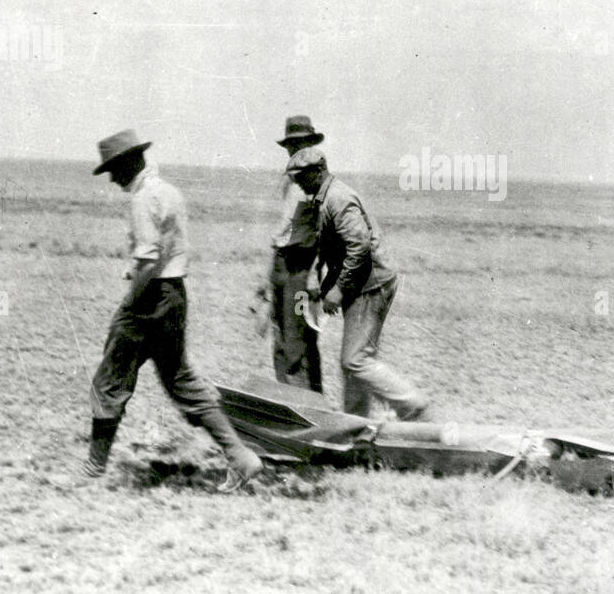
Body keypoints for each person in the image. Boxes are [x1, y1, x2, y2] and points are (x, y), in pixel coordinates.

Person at [78, 129, 263, 491]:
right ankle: (241, 457)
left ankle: (93, 470)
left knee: (109, 381)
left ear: (130, 163)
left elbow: (148, 260)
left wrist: (129, 302)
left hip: (149, 299)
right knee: (181, 380)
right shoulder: (169, 192)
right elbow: (165, 250)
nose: (113, 179)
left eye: (114, 170)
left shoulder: (142, 199)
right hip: (175, 296)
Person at [286, 147, 426, 420]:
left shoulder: (338, 198)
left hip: (371, 285)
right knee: (352, 361)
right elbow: (335, 249)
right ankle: (356, 422)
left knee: (355, 360)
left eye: (301, 177)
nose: (298, 183)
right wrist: (324, 285)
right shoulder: (325, 197)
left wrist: (337, 290)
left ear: (318, 171)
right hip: (363, 284)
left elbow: (359, 246)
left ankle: (412, 405)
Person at [260, 116, 324, 392]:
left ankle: (305, 401)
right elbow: (283, 228)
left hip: (301, 270)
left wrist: (314, 275)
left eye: (300, 144)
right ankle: (289, 398)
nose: (294, 151)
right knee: (280, 333)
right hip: (282, 265)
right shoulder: (290, 181)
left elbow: (327, 233)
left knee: (299, 334)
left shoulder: (319, 183)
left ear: (311, 144)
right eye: (291, 145)